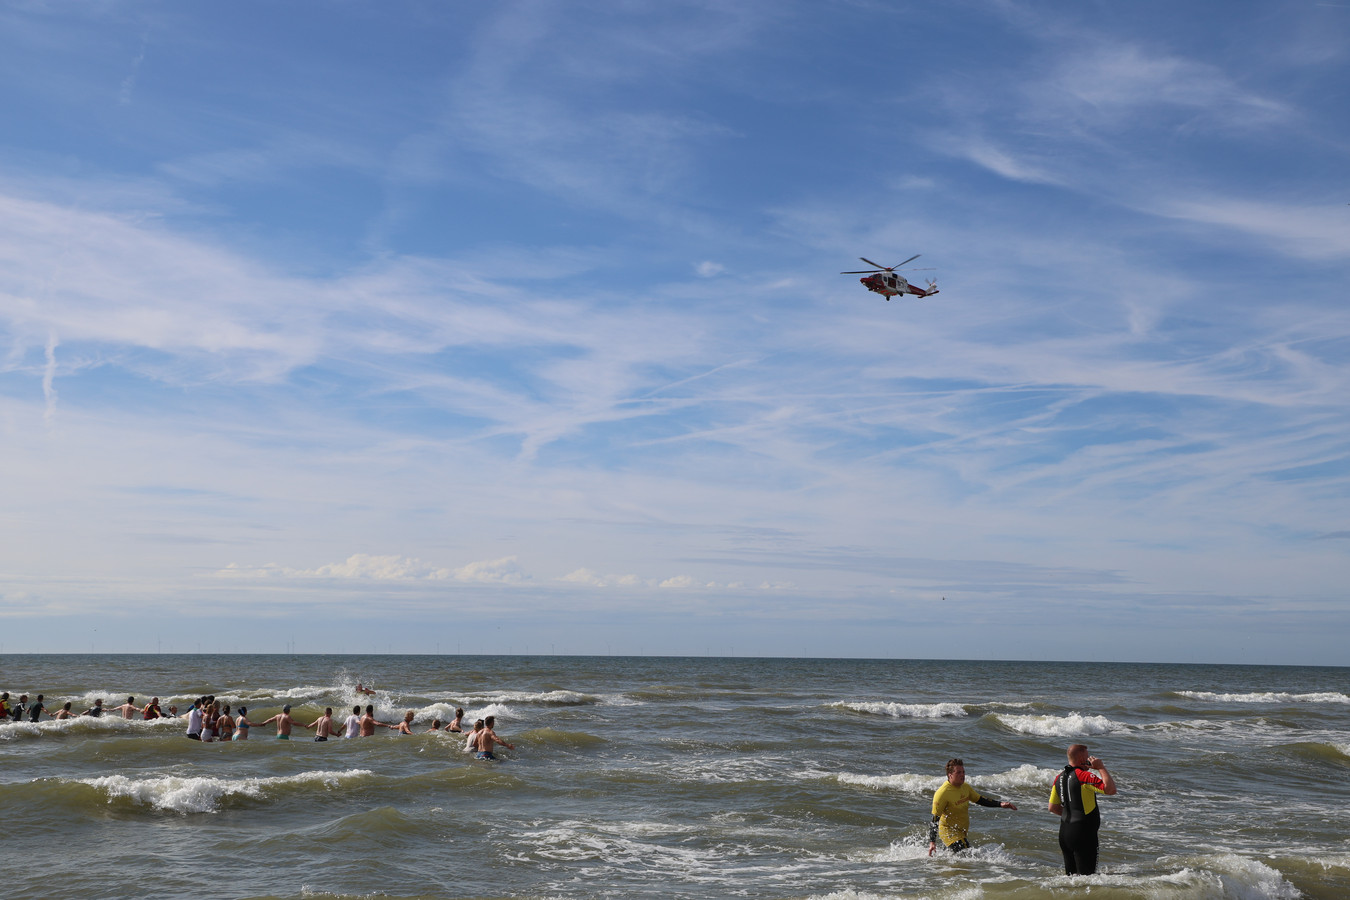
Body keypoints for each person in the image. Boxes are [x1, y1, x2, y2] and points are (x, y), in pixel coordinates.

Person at [1048, 743, 1118, 876]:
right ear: (1081, 758)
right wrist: (1101, 767)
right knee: (1088, 879)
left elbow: (1052, 807)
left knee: (1072, 878)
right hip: (1083, 834)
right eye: (1088, 757)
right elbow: (1111, 789)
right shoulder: (1083, 776)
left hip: (1065, 833)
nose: (1090, 759)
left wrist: (1073, 816)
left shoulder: (1059, 778)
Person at [927, 758, 1017, 855]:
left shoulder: (965, 787)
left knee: (957, 858)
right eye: (959, 772)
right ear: (950, 775)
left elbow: (980, 799)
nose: (962, 775)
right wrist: (932, 842)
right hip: (949, 832)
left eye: (963, 772)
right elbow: (935, 819)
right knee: (968, 855)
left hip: (961, 832)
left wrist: (1000, 804)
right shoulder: (942, 793)